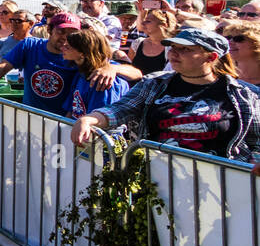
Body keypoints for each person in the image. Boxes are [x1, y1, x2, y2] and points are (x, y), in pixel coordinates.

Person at [72, 29, 260, 167]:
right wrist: (90, 119)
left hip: (221, 182)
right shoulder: (154, 84)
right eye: (172, 48)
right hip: (159, 177)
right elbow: (120, 109)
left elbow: (256, 141)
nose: (173, 53)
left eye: (185, 49)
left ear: (211, 57)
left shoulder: (243, 94)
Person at [0, 12, 132, 115]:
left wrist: (111, 68)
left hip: (64, 124)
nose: (65, 38)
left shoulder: (80, 58)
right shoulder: (30, 45)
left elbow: (137, 74)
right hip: (33, 118)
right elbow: (2, 67)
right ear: (50, 30)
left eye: (72, 33)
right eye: (61, 31)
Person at [61, 25, 130, 118]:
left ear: (83, 53)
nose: (62, 48)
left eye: (68, 47)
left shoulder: (103, 81)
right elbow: (71, 110)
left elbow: (99, 121)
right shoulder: (81, 73)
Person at [129, 7, 175, 77]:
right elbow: (128, 67)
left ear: (163, 25)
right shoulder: (137, 43)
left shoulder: (171, 48)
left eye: (148, 21)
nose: (143, 23)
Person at [223, 22, 260, 94]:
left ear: (257, 43)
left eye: (238, 39)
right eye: (228, 38)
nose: (230, 42)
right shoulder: (221, 78)